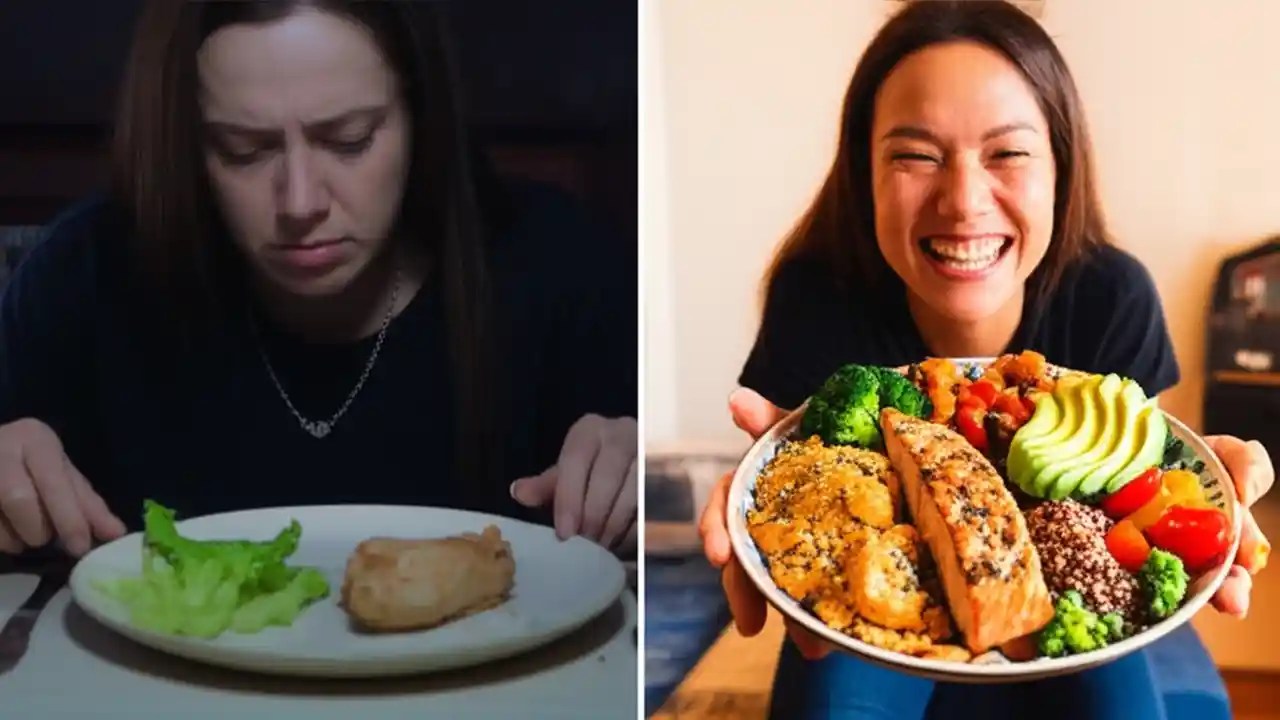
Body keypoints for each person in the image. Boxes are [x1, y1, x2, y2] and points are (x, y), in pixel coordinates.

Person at [698, 2, 1273, 719]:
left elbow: (1134, 479)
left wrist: (1195, 502)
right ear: (862, 172)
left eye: (1008, 153)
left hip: (1063, 594)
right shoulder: (816, 294)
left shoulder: (1110, 294)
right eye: (915, 155)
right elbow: (792, 467)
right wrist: (768, 495)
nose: (965, 201)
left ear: (1061, 167)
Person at [0, 0, 637, 559]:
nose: (300, 202)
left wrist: (641, 471)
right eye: (243, 150)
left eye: (350, 140)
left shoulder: (559, 268)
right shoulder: (81, 276)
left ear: (421, 119)